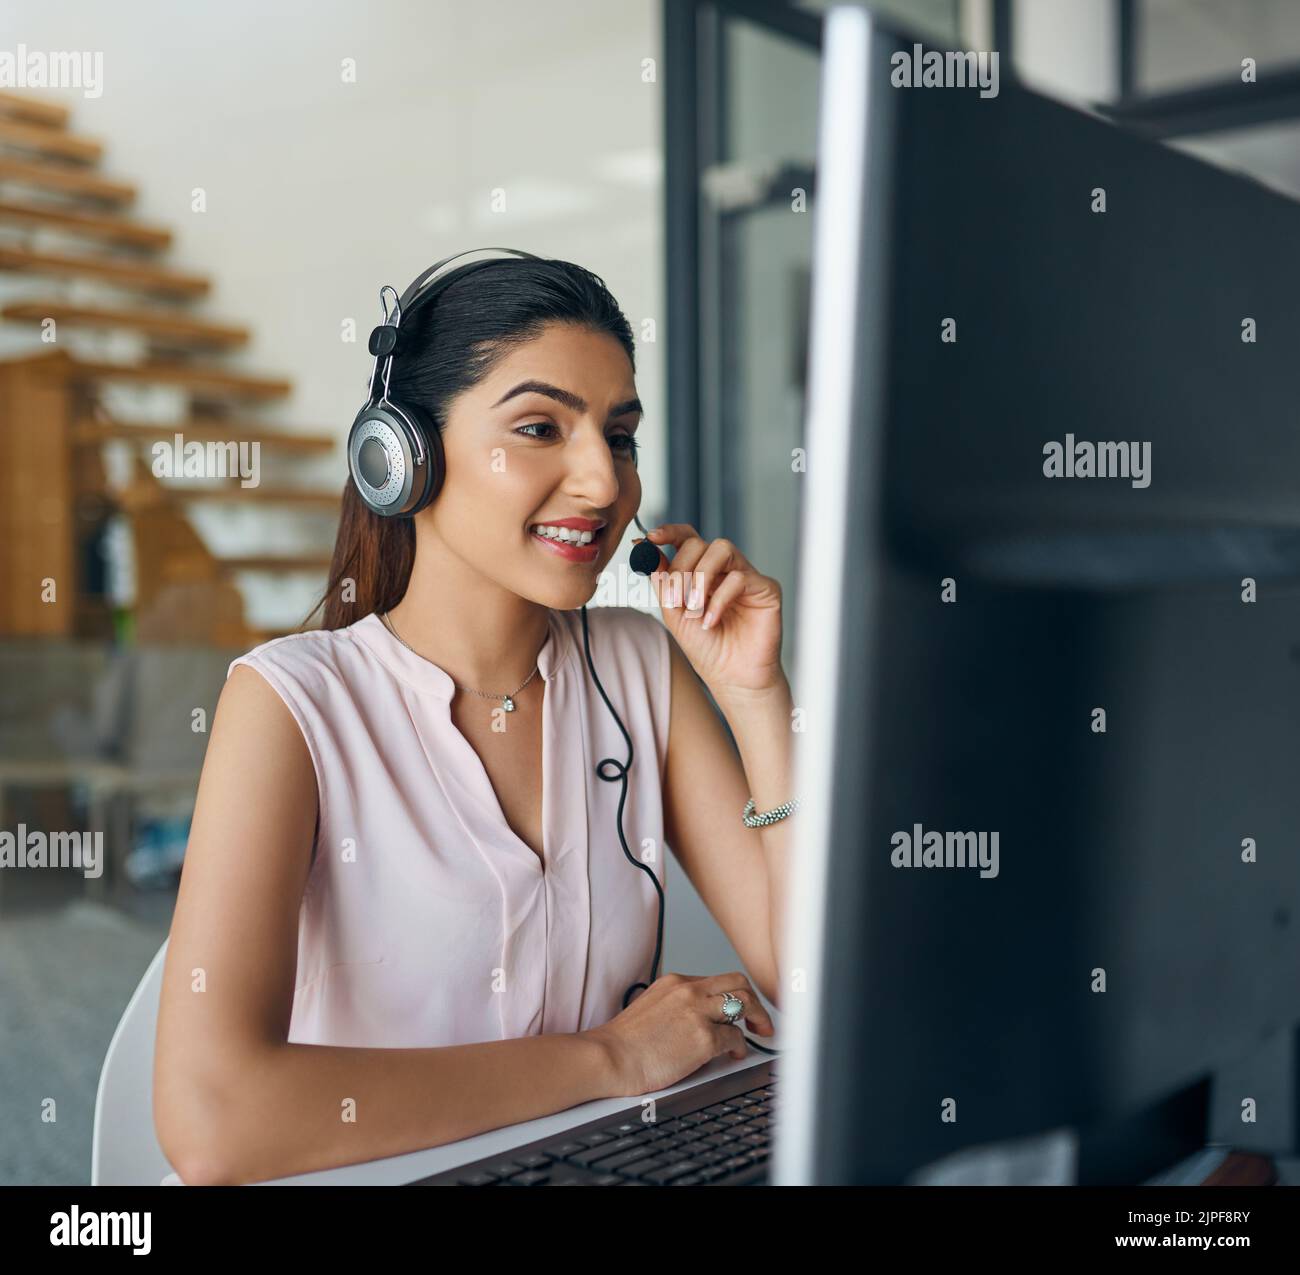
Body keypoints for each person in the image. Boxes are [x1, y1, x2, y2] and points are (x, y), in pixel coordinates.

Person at [153, 254, 797, 1185]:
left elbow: (814, 988)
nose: (601, 484)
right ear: (401, 453)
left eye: (619, 438)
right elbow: (213, 1120)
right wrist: (612, 1059)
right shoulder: (291, 703)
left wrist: (754, 697)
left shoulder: (639, 664)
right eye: (540, 427)